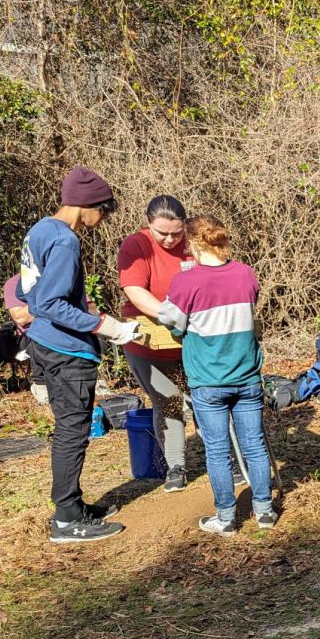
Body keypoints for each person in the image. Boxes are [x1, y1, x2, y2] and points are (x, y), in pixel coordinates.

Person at [19, 166, 143, 544]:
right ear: (87, 205)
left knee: (68, 427)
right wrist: (108, 327)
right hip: (64, 349)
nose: (102, 220)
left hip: (44, 343)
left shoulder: (39, 229)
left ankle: (72, 505)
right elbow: (48, 303)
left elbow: (30, 295)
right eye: (103, 211)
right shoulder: (65, 241)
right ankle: (67, 518)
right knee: (73, 430)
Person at [156, 215, 275, 534]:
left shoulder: (185, 282)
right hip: (247, 376)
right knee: (255, 445)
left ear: (193, 243)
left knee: (218, 451)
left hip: (208, 381)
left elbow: (170, 320)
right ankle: (264, 511)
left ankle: (226, 518)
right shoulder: (245, 273)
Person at [119, 195, 194, 491]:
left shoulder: (193, 241)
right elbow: (135, 290)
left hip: (193, 340)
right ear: (149, 224)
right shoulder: (136, 245)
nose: (170, 239)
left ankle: (223, 458)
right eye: (162, 232)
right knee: (169, 402)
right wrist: (168, 314)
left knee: (205, 399)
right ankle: (175, 466)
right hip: (150, 342)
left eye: (176, 232)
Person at [2, 273, 48, 405]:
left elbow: (88, 308)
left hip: (66, 327)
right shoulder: (15, 283)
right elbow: (20, 317)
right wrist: (52, 305)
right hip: (30, 334)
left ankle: (96, 383)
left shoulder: (63, 276)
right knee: (41, 335)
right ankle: (42, 386)